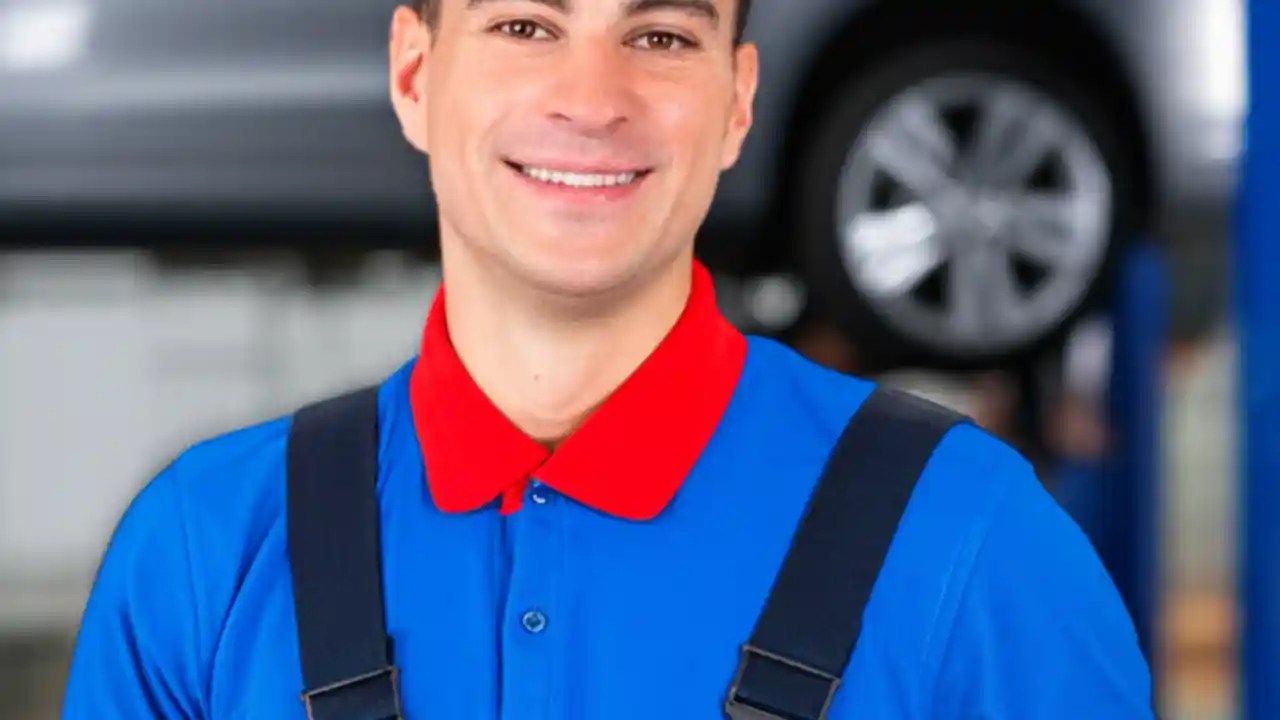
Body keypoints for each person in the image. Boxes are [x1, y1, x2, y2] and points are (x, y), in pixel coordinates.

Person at [62, 0, 1154, 717]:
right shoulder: (204, 551)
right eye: (525, 25)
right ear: (414, 75)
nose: (591, 101)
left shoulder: (970, 542)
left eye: (661, 36)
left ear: (736, 102)